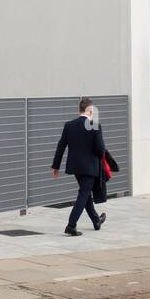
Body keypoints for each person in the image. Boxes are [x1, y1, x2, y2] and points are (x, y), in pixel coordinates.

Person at [51, 96, 107, 236]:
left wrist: (55, 166)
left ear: (79, 110)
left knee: (85, 193)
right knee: (83, 194)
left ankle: (96, 221)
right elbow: (101, 150)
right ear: (89, 111)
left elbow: (61, 146)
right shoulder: (95, 126)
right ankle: (71, 225)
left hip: (76, 167)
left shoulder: (69, 125)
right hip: (90, 168)